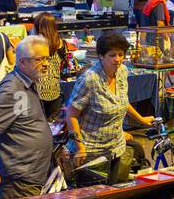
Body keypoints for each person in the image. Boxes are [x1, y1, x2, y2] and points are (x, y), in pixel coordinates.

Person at [66, 31, 155, 181]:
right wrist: (80, 147)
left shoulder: (122, 72)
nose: (118, 59)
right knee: (94, 197)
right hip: (92, 151)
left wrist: (141, 120)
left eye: (121, 55)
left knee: (114, 192)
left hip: (115, 146)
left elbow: (122, 101)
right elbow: (71, 115)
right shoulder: (89, 79)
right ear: (101, 55)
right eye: (112, 55)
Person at [0, 34, 54, 199]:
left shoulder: (28, 82)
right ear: (22, 63)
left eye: (47, 58)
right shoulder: (11, 88)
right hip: (16, 183)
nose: (46, 64)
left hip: (30, 178)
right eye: (39, 59)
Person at [32, 12, 67, 120]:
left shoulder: (35, 43)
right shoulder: (60, 43)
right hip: (54, 90)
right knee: (52, 126)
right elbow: (63, 62)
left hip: (37, 91)